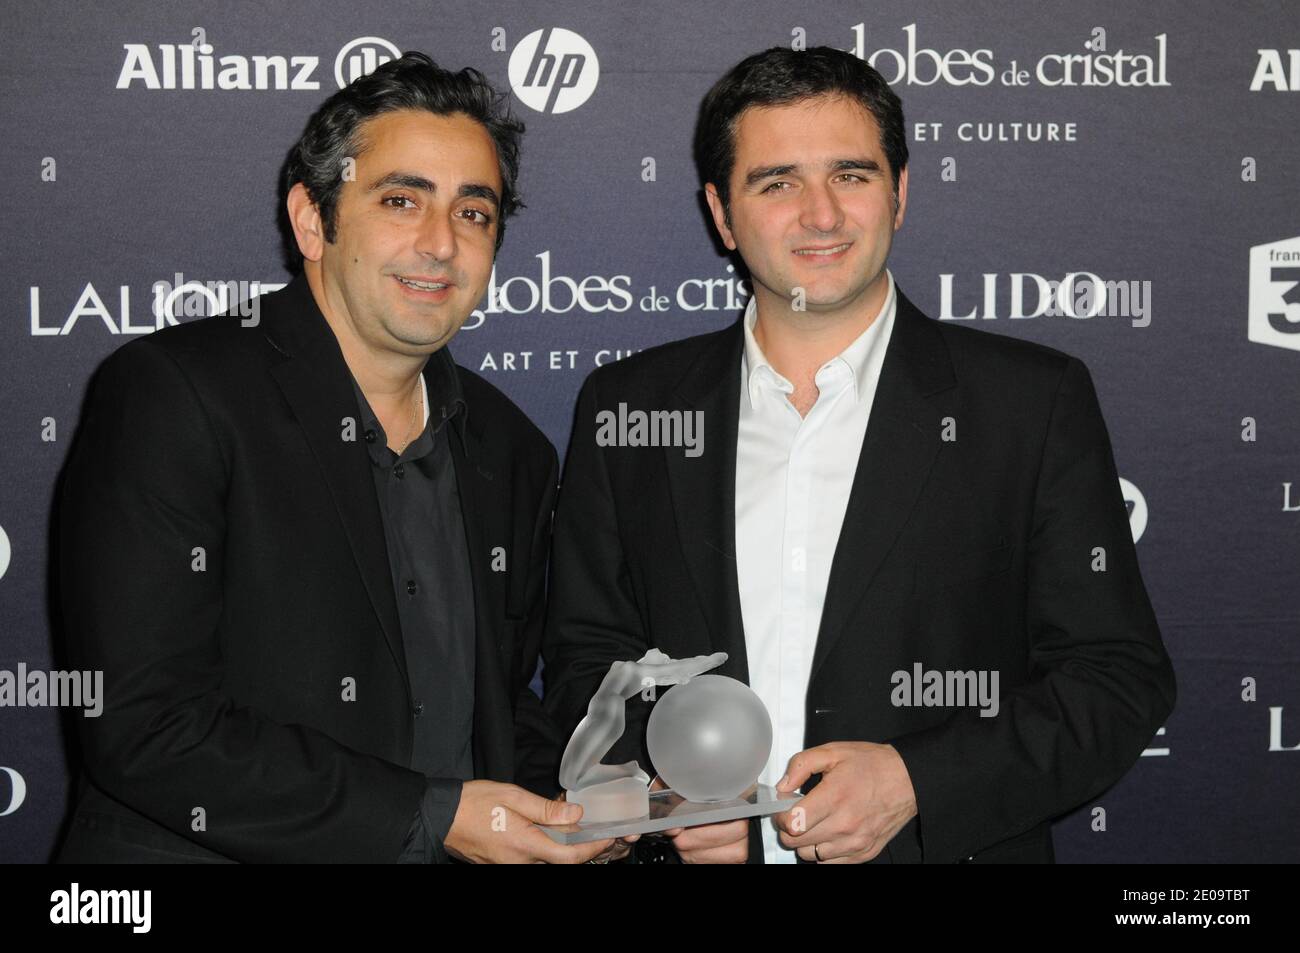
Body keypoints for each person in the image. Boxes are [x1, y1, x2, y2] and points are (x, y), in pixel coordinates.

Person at [542, 46, 1175, 864]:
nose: (822, 215)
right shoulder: (630, 407)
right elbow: (590, 663)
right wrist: (662, 789)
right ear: (722, 214)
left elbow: (1116, 679)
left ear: (900, 191)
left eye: (851, 174)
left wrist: (918, 782)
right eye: (777, 183)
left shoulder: (1029, 403)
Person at [55, 52, 614, 863]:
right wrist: (432, 815)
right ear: (313, 220)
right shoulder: (177, 396)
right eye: (400, 201)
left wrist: (586, 810)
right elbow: (146, 726)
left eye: (473, 213)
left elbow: (486, 714)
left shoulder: (512, 449)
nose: (440, 244)